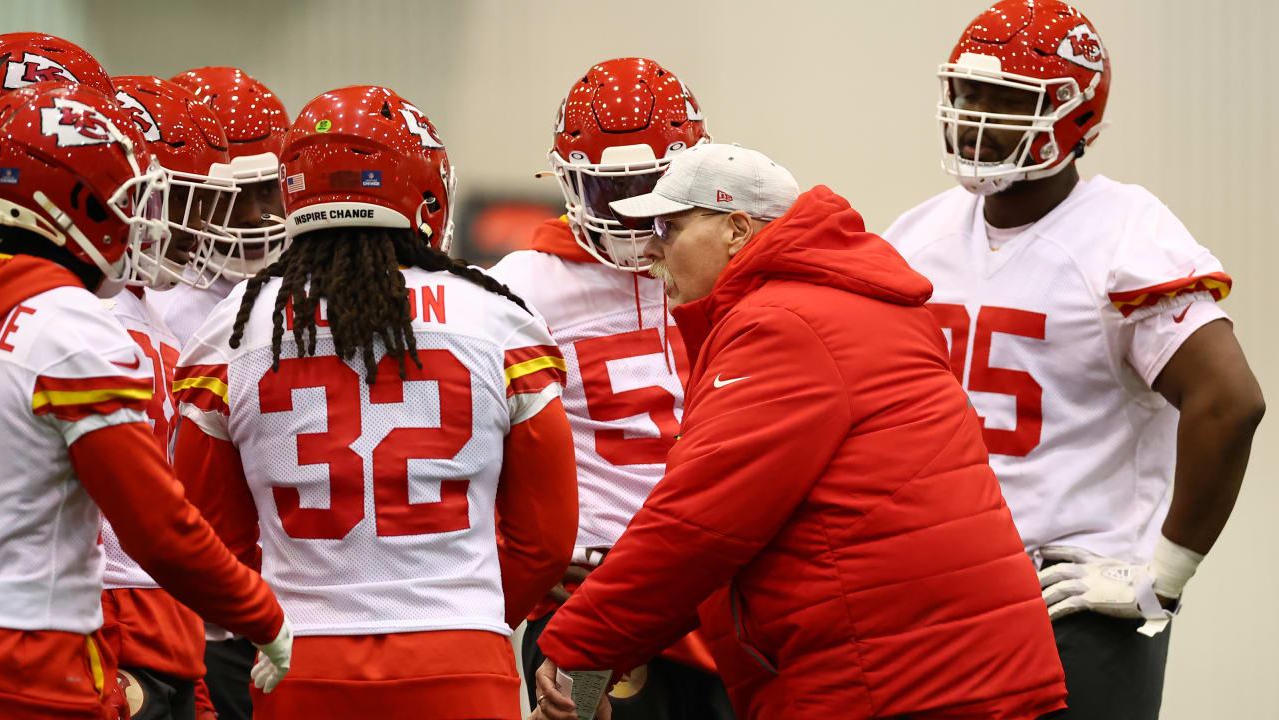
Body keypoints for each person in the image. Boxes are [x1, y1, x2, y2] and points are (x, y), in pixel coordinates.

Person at [530, 142, 1067, 720]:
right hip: (957, 674)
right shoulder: (843, 304)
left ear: (736, 229)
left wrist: (578, 649)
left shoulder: (782, 326)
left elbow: (698, 527)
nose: (652, 248)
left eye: (669, 224)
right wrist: (608, 650)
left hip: (903, 686)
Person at [881, 2, 1265, 718]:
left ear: (1073, 114)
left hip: (1068, 601)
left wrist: (1163, 576)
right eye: (968, 95)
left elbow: (1229, 402)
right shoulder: (919, 233)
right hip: (933, 590)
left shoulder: (1123, 235)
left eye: (1009, 100)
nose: (979, 118)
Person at [170, 85, 578, 720]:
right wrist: (469, 614)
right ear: (426, 193)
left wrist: (270, 618)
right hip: (459, 658)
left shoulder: (231, 328)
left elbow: (207, 532)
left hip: (300, 661)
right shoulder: (498, 319)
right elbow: (546, 539)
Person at [0, 81, 291, 720]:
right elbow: (155, 525)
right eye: (135, 199)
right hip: (44, 650)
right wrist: (260, 612)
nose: (150, 222)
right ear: (73, 202)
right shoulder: (71, 327)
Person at [487, 56, 733, 719]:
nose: (631, 220)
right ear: (570, 185)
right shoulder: (522, 287)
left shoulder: (723, 258)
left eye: (651, 189)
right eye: (608, 193)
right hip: (588, 593)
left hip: (722, 591)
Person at [102, 74, 243, 720]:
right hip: (97, 623)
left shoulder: (142, 310)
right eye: (178, 203)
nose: (196, 233)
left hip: (163, 619)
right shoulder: (63, 318)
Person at [156, 64, 292, 720]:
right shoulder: (159, 306)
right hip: (206, 606)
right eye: (244, 193)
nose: (266, 215)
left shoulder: (302, 292)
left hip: (293, 591)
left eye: (275, 189)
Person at [153, 66, 291, 348]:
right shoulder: (159, 310)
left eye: (268, 188)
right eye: (230, 195)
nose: (254, 216)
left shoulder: (315, 289)